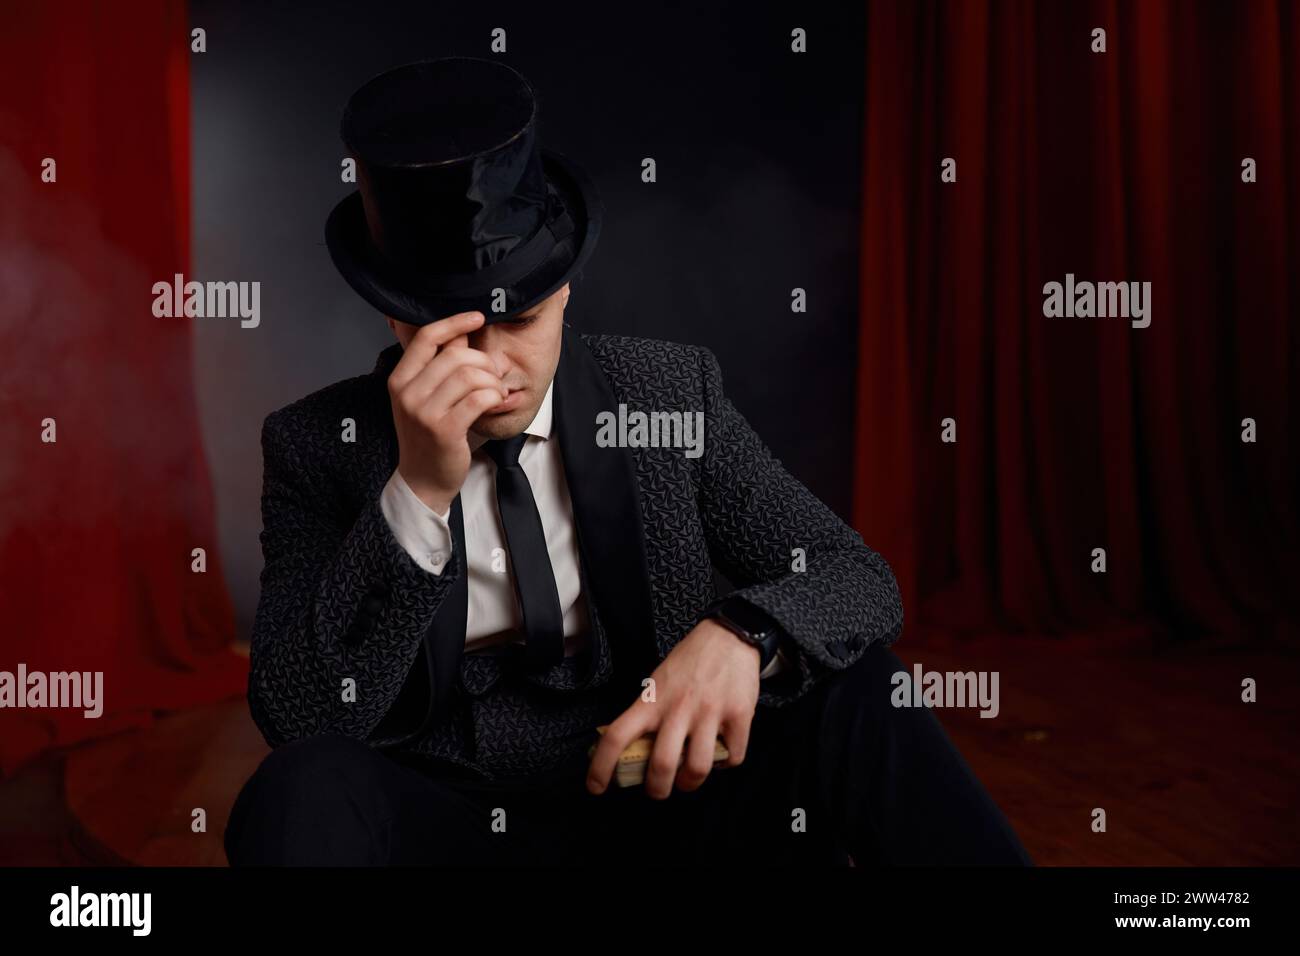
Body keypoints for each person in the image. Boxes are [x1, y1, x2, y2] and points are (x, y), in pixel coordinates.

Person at [224, 56, 1031, 866]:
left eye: (523, 321)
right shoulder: (314, 443)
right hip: (450, 825)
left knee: (861, 691)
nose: (494, 367)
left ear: (566, 292)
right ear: (399, 323)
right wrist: (418, 492)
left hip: (660, 796)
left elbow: (859, 579)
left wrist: (742, 631)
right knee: (299, 786)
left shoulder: (667, 393)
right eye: (459, 333)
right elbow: (298, 718)